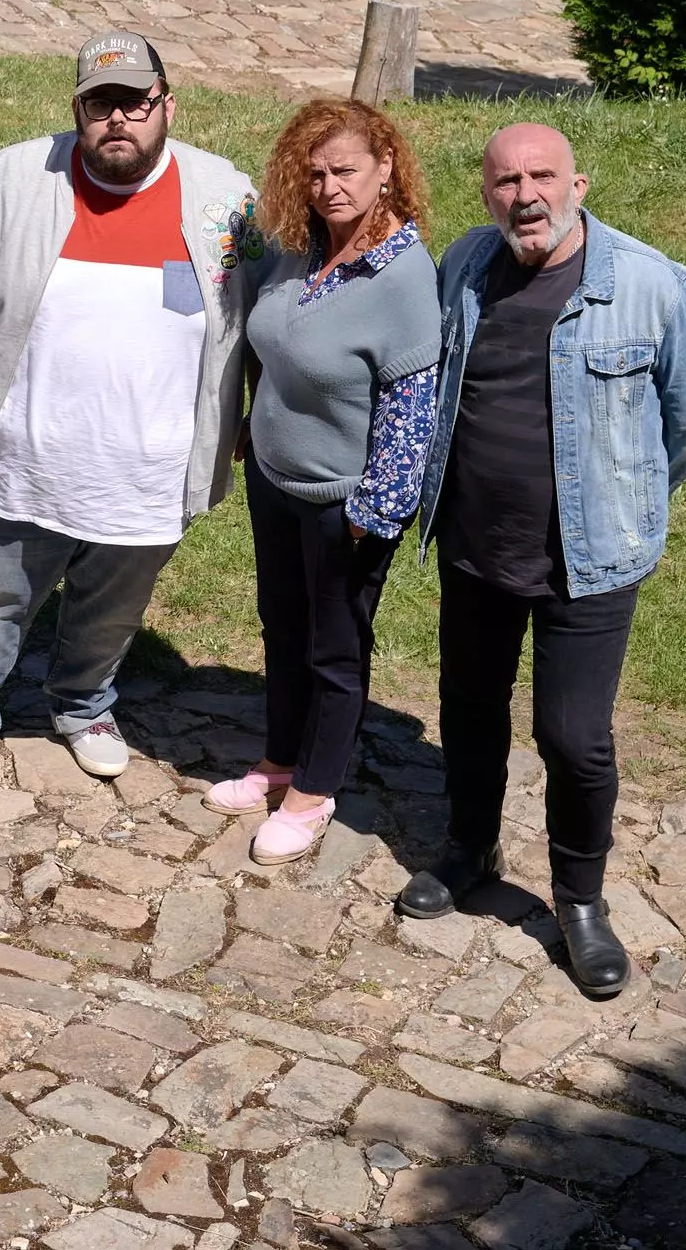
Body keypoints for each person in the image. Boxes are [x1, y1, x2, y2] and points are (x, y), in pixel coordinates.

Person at [398, 123, 686, 998]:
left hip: (593, 558)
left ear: (579, 183)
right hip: (473, 545)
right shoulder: (465, 264)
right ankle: (470, 846)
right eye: (506, 180)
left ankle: (578, 900)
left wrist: (627, 493)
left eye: (542, 175)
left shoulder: (652, 284)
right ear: (485, 194)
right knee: (467, 707)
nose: (525, 195)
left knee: (571, 737)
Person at [0, 32, 258, 794]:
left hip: (152, 467)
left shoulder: (225, 197)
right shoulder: (8, 179)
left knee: (111, 608)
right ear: (77, 110)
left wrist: (254, 414)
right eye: (101, 104)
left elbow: (265, 313)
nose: (119, 119)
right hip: (17, 457)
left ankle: (82, 703)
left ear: (167, 104)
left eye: (135, 101)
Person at [215, 99, 440, 865]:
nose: (327, 187)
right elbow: (277, 343)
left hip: (343, 501)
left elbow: (411, 408)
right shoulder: (298, 246)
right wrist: (256, 417)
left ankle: (314, 791)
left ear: (385, 168)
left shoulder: (403, 275)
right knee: (279, 625)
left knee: (333, 650)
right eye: (312, 173)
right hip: (275, 479)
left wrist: (373, 510)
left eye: (344, 170)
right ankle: (277, 760)